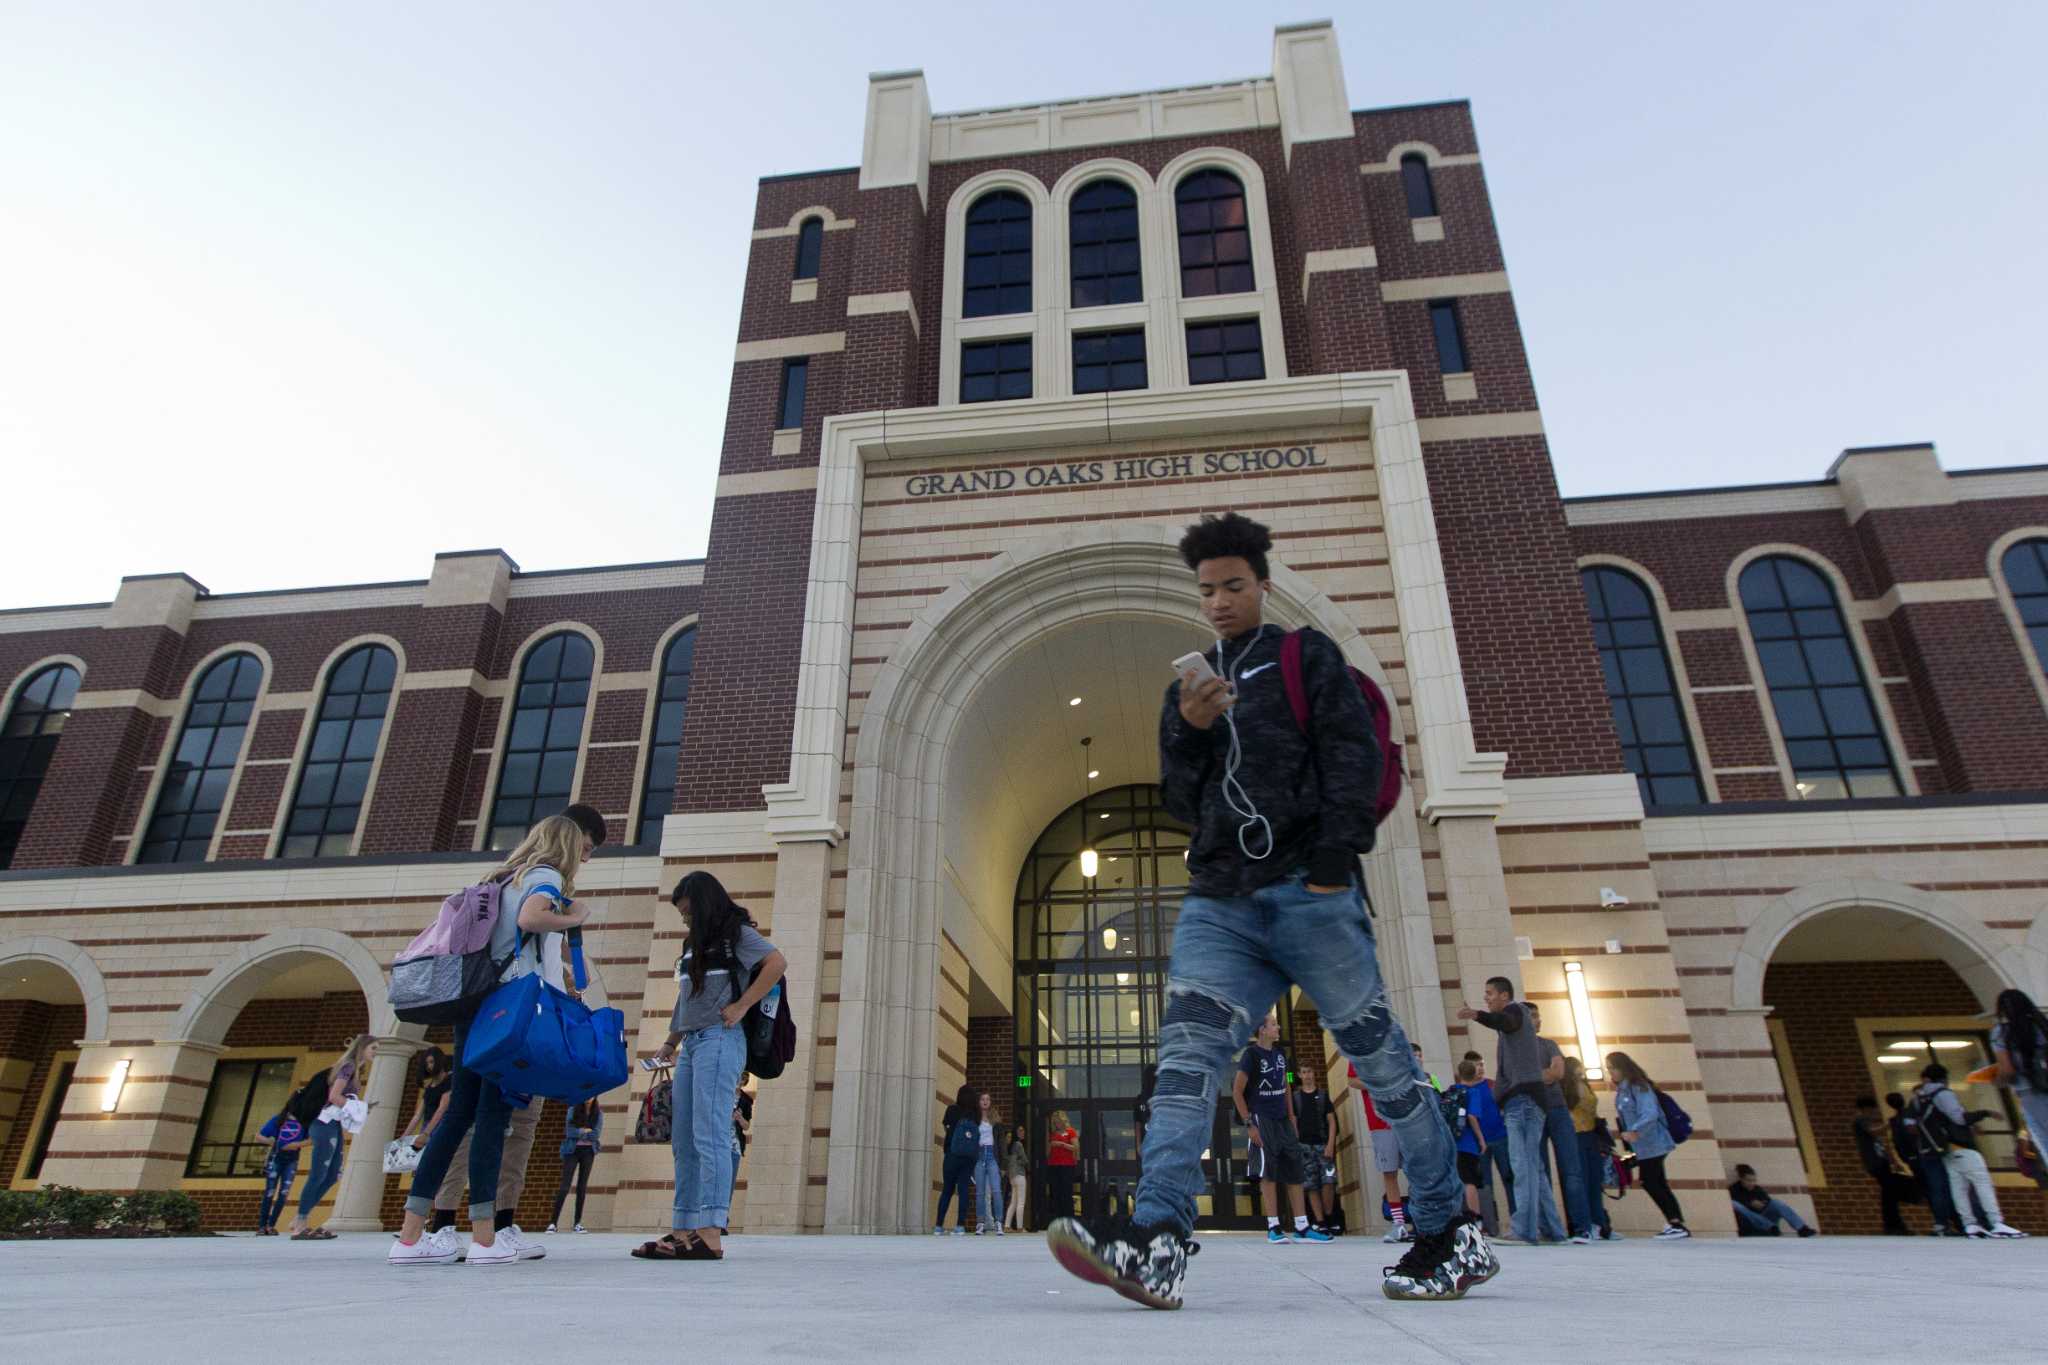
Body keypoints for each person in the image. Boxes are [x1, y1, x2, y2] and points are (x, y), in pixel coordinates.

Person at [1046, 513, 1492, 1307]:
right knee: (1185, 1065)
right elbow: (1182, 801)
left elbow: (1353, 750)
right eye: (1208, 589)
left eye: (1234, 586)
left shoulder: (1304, 656)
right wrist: (1191, 728)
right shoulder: (1189, 688)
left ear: (1262, 585)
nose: (1219, 601)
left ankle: (1444, 1229)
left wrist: (1332, 857)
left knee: (1385, 1070)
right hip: (1221, 902)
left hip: (1310, 894)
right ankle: (1157, 1240)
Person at [390, 812, 596, 1266]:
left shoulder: (501, 879)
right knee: (491, 1118)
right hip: (508, 1013)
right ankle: (486, 1239)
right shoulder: (545, 876)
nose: (586, 857)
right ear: (567, 846)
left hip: (473, 1006)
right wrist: (577, 913)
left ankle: (408, 1238)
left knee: (457, 1116)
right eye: (585, 848)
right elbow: (533, 917)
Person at [635, 870, 788, 1262]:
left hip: (720, 1040)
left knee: (711, 1133)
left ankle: (710, 1231)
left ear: (703, 906)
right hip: (692, 1044)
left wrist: (741, 1006)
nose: (685, 920)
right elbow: (687, 995)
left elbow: (776, 962)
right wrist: (671, 1042)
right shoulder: (693, 944)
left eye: (688, 913)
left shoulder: (735, 933)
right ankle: (684, 1228)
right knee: (685, 1138)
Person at [1458, 978, 1565, 1245]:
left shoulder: (1516, 1011)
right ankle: (1552, 1229)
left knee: (1522, 1166)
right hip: (1523, 1102)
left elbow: (1504, 1021)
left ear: (1505, 996)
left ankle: (1524, 1231)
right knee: (1534, 1167)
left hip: (1524, 1101)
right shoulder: (1511, 1032)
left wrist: (1476, 1015)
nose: (1487, 998)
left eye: (1490, 994)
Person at [1238, 1013, 1327, 1244]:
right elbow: (1237, 1091)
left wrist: (1292, 1116)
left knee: (1294, 1170)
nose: (1278, 1028)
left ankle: (1301, 1226)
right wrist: (1249, 1124)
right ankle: (1273, 1226)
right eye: (1274, 1025)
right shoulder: (1251, 1056)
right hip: (1262, 1118)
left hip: (1283, 1121)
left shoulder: (1281, 1055)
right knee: (1269, 1172)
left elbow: (1286, 1084)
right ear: (1262, 1030)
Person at [1912, 1063, 2026, 1238]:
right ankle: (1996, 1222)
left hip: (1945, 1149)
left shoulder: (1919, 1099)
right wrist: (1985, 1113)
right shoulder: (1943, 1094)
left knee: (1959, 1188)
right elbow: (1959, 1118)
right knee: (1982, 1183)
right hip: (1963, 1146)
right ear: (1944, 1078)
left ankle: (1969, 1224)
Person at [289, 1033, 375, 1240]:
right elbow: (334, 1097)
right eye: (374, 1048)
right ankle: (300, 1221)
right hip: (324, 1123)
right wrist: (357, 1107)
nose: (376, 1052)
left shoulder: (355, 1070)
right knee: (319, 1173)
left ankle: (301, 1216)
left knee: (333, 1174)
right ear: (362, 1048)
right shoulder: (348, 1067)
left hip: (333, 1125)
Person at [1606, 1050, 1688, 1239]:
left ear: (1622, 1067)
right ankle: (1675, 1222)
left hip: (1653, 1143)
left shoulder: (1637, 1086)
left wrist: (1635, 1130)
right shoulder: (1624, 1089)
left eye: (1612, 1068)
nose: (1611, 1073)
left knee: (1650, 1181)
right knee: (1657, 1182)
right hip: (1645, 1146)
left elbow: (1649, 1113)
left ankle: (1676, 1223)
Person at [1529, 1007, 1591, 1243]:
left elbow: (1558, 1072)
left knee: (1571, 1169)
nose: (1539, 1019)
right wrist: (1540, 1074)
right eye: (1533, 1016)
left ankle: (1581, 1227)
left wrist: (1532, 1075)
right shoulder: (1516, 1047)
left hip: (1557, 1109)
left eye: (1538, 1015)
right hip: (1532, 1112)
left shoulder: (1549, 1045)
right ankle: (1550, 1227)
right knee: (1539, 1171)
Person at [1346, 1062, 1411, 1242]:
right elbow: (1352, 1080)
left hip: (1407, 1118)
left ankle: (1422, 1220)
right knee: (1389, 1171)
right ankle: (1399, 1223)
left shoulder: (1396, 1046)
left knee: (1416, 1171)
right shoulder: (1359, 1050)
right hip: (1380, 1121)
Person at [1888, 1090, 1959, 1235]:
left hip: (1916, 1159)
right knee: (1942, 1188)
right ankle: (1953, 1222)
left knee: (1932, 1191)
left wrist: (1907, 1159)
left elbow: (1897, 1143)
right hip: (1927, 1155)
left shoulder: (1896, 1120)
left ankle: (1942, 1224)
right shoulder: (1913, 1114)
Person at [1991, 988, 2048, 1154]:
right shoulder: (2042, 1025)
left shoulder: (2000, 1033)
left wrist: (1997, 1080)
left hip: (2030, 1091)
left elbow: (2008, 1070)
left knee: (2043, 1138)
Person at [1562, 1056, 1613, 1241]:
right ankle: (1583, 1224)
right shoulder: (1567, 1089)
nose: (1581, 1070)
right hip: (1575, 1135)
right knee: (1580, 1179)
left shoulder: (1584, 1085)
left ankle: (1599, 1222)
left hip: (1591, 1134)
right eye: (1577, 1067)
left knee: (1594, 1179)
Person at [1463, 1051, 1512, 1236]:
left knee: (1509, 1178)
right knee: (1484, 1184)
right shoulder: (1464, 1090)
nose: (1480, 1068)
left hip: (1500, 1138)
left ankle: (1515, 1219)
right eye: (1476, 1065)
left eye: (1482, 1064)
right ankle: (1491, 1225)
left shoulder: (1492, 1085)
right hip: (1479, 1144)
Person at [1851, 1094, 1912, 1234]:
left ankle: (1894, 1224)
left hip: (1881, 1162)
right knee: (1889, 1193)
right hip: (1875, 1162)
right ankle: (1893, 1225)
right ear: (1866, 1108)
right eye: (1873, 1110)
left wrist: (1893, 1162)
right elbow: (1875, 1132)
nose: (1875, 1113)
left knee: (1889, 1192)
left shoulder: (1866, 1121)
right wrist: (1891, 1123)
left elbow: (1882, 1145)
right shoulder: (1860, 1120)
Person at [1291, 1065, 1339, 1234]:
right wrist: (1296, 1144)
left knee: (1328, 1181)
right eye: (1304, 1072)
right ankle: (1320, 1221)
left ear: (1314, 1073)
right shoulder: (1295, 1098)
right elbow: (1293, 1122)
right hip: (1304, 1146)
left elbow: (1332, 1122)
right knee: (1311, 1185)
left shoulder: (1323, 1096)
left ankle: (1329, 1216)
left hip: (1323, 1144)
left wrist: (1331, 1144)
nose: (1307, 1075)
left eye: (1310, 1071)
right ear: (1299, 1075)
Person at [548, 1098, 602, 1233]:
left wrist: (580, 1132)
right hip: (572, 1151)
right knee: (565, 1186)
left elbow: (596, 1134)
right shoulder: (573, 1110)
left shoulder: (598, 1113)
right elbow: (569, 1132)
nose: (590, 1098)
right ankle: (553, 1223)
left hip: (589, 1152)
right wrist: (585, 1131)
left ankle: (577, 1223)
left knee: (582, 1187)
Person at [933, 1083, 978, 1236]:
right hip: (968, 1158)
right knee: (964, 1189)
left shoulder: (952, 1109)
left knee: (947, 1190)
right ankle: (960, 1226)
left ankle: (939, 1225)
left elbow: (946, 1127)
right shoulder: (975, 1114)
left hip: (952, 1154)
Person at [1448, 1060, 1488, 1220]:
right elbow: (1472, 1116)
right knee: (1470, 1181)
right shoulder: (1473, 1092)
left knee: (1455, 1181)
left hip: (1452, 1142)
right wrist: (1481, 1139)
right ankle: (1475, 1217)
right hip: (1468, 1143)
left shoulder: (1451, 1090)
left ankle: (1455, 1217)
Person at [1728, 1164, 1815, 1237]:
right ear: (1741, 1179)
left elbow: (1768, 1202)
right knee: (1734, 1204)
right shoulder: (1733, 1190)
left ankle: (1802, 1228)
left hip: (1768, 1220)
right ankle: (1770, 1227)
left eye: (1754, 1180)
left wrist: (1763, 1204)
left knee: (1776, 1203)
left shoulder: (1757, 1189)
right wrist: (1749, 1204)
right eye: (1748, 1180)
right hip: (1752, 1222)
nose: (1752, 1183)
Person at [256, 1115, 306, 1235]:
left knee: (283, 1194)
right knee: (270, 1192)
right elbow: (259, 1135)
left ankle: (271, 1225)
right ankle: (262, 1226)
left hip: (292, 1160)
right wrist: (271, 1142)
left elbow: (311, 1139)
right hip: (275, 1158)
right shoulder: (278, 1119)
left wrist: (296, 1144)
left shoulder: (304, 1121)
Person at [400, 1047, 451, 1156]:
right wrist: (404, 1135)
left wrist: (426, 1133)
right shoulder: (429, 1086)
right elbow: (417, 1115)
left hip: (441, 1126)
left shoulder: (449, 1081)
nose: (429, 1066)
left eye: (432, 1062)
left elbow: (441, 1109)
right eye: (427, 1063)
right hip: (427, 1125)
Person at [972, 1090, 1007, 1235]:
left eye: (987, 1099)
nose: (985, 1101)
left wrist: (1003, 1165)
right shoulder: (975, 1120)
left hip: (992, 1156)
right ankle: (980, 1223)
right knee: (980, 1192)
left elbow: (1002, 1144)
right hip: (979, 1156)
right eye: (982, 1099)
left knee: (997, 1191)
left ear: (990, 1102)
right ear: (979, 1102)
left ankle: (999, 1223)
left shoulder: (996, 1122)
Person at [1045, 1110, 1078, 1224]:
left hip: (1067, 1166)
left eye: (1058, 1121)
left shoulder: (1071, 1132)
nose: (1057, 1124)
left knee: (1066, 1193)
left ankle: (1069, 1220)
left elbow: (1075, 1148)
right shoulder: (1053, 1134)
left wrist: (1061, 1144)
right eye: (1055, 1122)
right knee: (1056, 1193)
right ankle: (1057, 1220)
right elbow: (1048, 1153)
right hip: (1054, 1165)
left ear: (1063, 1121)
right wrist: (1050, 1145)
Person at [729, 1073, 754, 1214]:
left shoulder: (746, 1100)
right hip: (716, 1144)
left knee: (729, 1184)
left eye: (742, 1079)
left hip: (734, 1146)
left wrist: (739, 1118)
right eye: (738, 1077)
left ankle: (721, 1221)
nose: (739, 1081)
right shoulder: (722, 1093)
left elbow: (746, 1126)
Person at [1003, 1124, 1030, 1232]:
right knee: (1021, 1202)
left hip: (1012, 1177)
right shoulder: (1018, 1144)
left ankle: (1007, 1226)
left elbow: (1009, 1161)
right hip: (1019, 1175)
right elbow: (1025, 1160)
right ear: (1016, 1132)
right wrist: (1020, 1162)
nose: (1023, 1132)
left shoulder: (1009, 1146)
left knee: (1013, 1202)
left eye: (1023, 1130)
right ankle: (1019, 1227)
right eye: (1020, 1130)